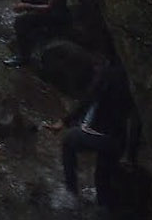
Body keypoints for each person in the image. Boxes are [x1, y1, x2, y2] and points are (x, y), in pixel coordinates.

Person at [48, 56, 135, 206]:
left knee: (69, 140)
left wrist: (63, 122)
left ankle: (71, 193)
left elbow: (88, 99)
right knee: (102, 180)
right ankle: (104, 206)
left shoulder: (108, 74)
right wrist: (130, 154)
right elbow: (136, 118)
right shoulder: (135, 80)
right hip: (119, 140)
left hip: (103, 137)